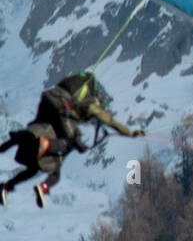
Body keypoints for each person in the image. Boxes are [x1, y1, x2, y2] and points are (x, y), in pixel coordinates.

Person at [0, 73, 144, 208]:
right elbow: (110, 121)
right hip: (60, 108)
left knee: (32, 150)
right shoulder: (92, 105)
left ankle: (6, 186)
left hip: (47, 101)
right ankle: (45, 156)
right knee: (65, 143)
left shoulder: (79, 91)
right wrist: (130, 133)